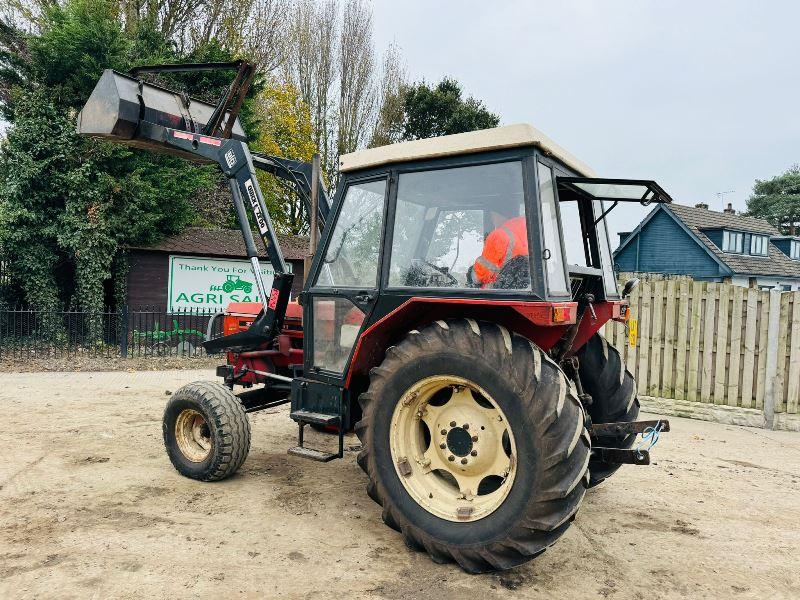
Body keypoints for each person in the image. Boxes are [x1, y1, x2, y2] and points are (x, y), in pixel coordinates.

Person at [472, 208, 528, 287]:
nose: (492, 220)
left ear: (498, 215)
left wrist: (472, 272)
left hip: (500, 292)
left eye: (492, 216)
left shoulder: (498, 235)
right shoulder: (529, 231)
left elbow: (480, 276)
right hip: (523, 290)